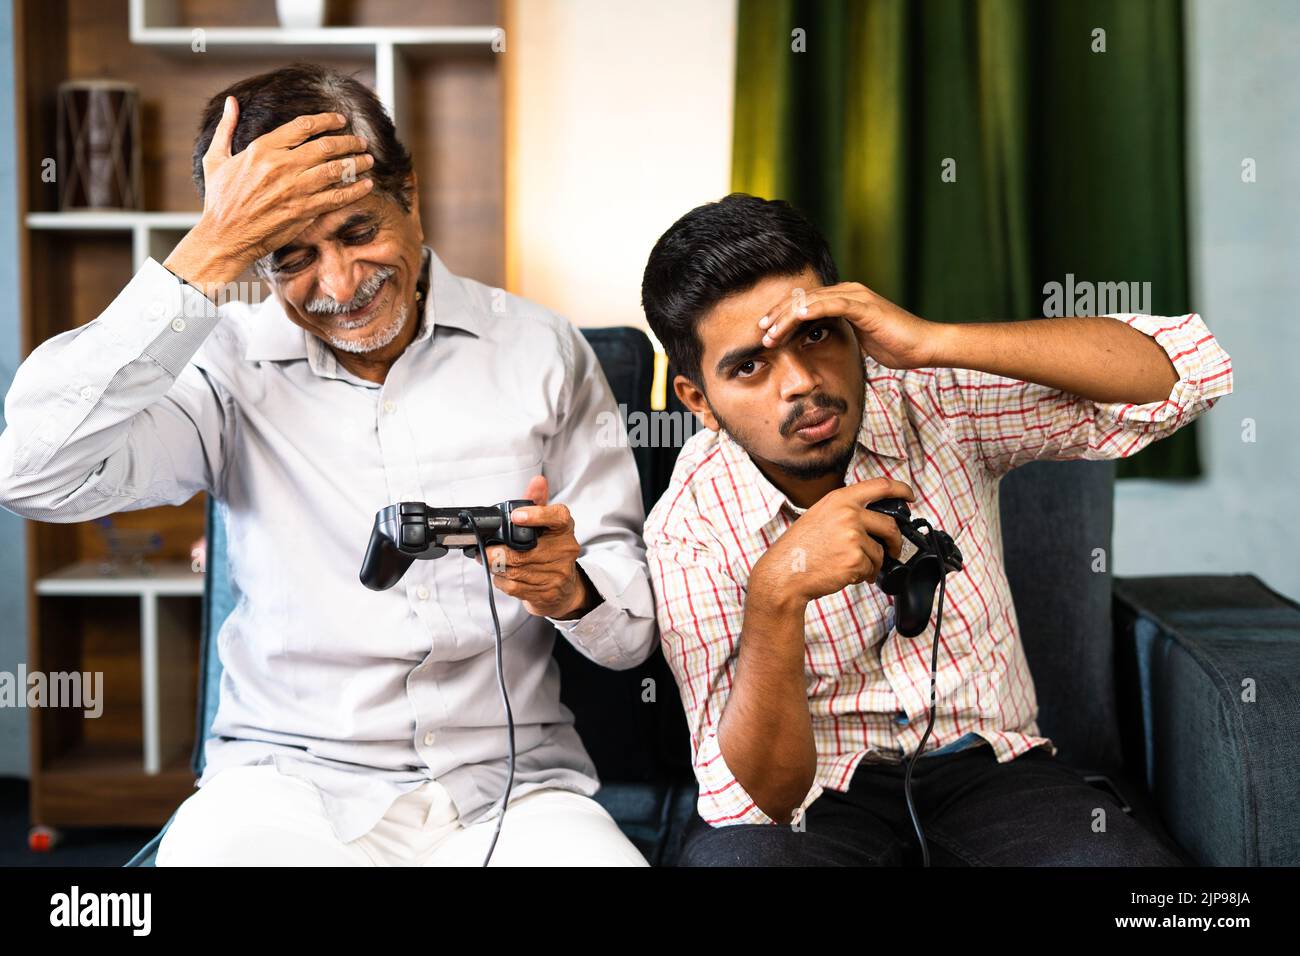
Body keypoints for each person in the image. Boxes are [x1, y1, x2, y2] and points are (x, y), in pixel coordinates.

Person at [0, 64, 654, 867]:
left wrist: (571, 589)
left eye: (357, 232)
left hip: (512, 793)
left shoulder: (543, 350)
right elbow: (31, 472)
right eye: (289, 255)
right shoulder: (224, 370)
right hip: (284, 790)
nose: (341, 286)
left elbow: (631, 637)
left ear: (409, 197)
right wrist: (208, 250)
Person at [639, 193, 1233, 866]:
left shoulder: (931, 399)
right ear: (698, 401)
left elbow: (1188, 370)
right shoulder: (689, 526)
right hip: (817, 806)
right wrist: (776, 592)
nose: (801, 382)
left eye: (815, 334)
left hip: (994, 775)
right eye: (750, 366)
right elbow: (760, 804)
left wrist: (932, 341)